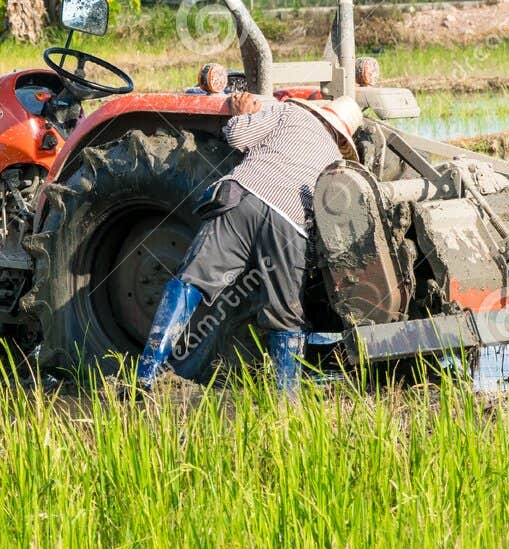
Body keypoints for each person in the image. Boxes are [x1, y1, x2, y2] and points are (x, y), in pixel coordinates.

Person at [135, 89, 360, 397]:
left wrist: (241, 111)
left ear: (319, 111)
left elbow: (238, 137)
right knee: (286, 316)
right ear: (343, 138)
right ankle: (286, 400)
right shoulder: (336, 162)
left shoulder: (290, 114)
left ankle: (146, 374)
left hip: (243, 199)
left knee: (191, 282)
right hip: (291, 226)